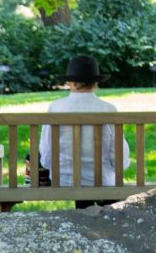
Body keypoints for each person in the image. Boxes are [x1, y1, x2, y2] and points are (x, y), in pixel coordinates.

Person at [39, 56, 128, 208]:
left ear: (70, 82)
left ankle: (85, 213)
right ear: (95, 83)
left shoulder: (56, 108)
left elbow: (46, 153)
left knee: (80, 179)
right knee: (100, 178)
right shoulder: (108, 109)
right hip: (102, 179)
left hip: (64, 179)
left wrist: (50, 167)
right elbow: (118, 154)